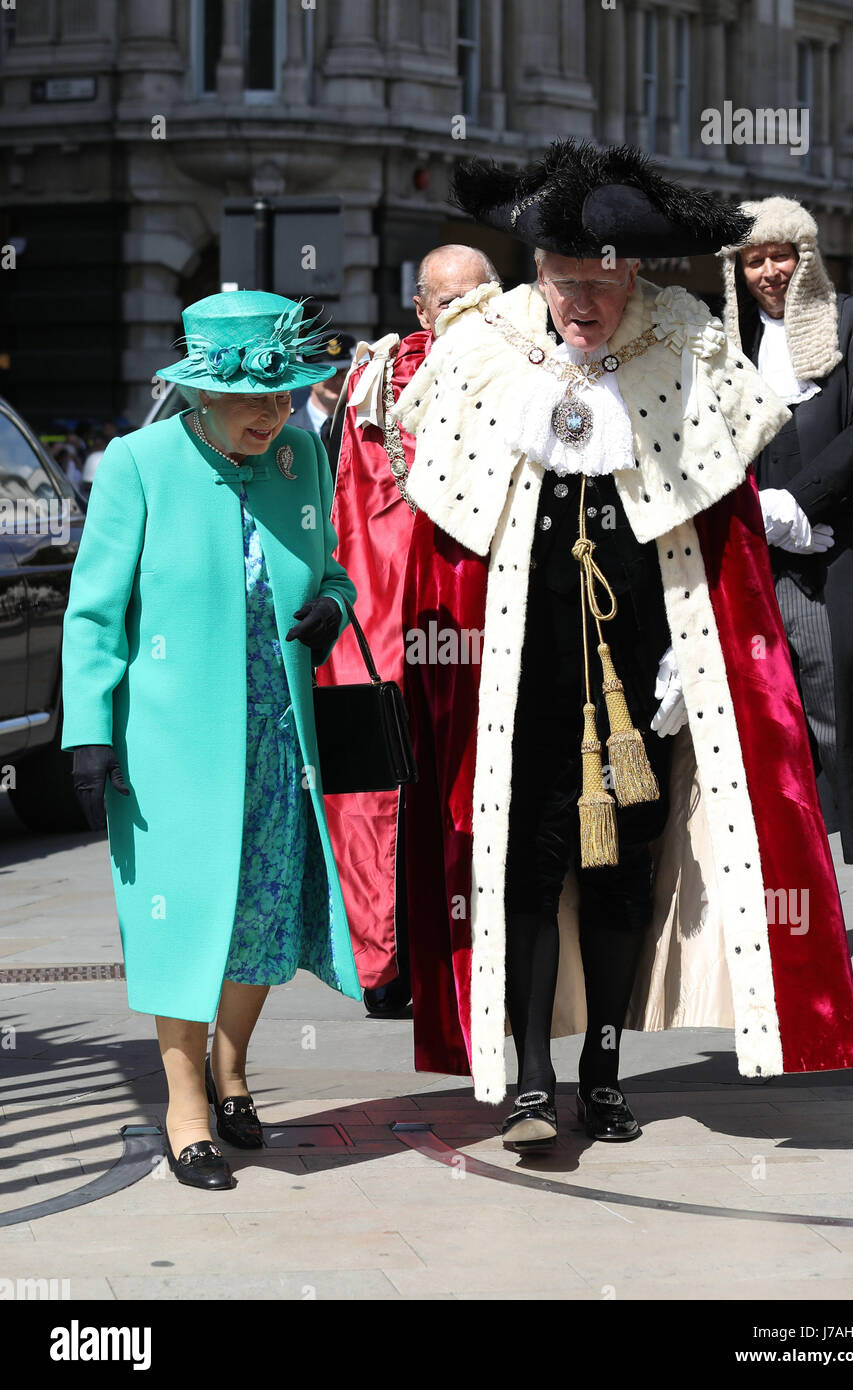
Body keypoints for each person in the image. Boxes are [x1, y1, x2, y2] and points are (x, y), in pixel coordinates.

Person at [393, 140, 853, 1146]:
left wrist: (685, 671)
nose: (582, 302)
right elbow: (441, 539)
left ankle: (601, 1070)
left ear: (633, 272)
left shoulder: (685, 344)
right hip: (519, 674)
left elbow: (723, 536)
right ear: (536, 272)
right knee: (523, 861)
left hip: (642, 676)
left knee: (620, 874)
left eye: (601, 282)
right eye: (565, 281)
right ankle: (528, 1075)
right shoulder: (481, 344)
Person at [62, 290, 360, 1189]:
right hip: (170, 748)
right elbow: (94, 613)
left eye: (290, 397)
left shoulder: (301, 453)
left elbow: (335, 568)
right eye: (260, 402)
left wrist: (331, 609)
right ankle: (185, 1103)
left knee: (263, 916)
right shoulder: (139, 463)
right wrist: (88, 733)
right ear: (202, 393)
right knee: (184, 920)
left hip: (277, 733)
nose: (279, 415)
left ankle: (232, 1066)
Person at [720, 198, 853, 967]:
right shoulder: (718, 344)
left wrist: (801, 503)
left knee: (845, 713)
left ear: (808, 258)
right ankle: (785, 912)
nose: (769, 272)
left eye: (783, 255)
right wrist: (748, 510)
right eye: (753, 259)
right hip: (748, 555)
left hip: (840, 553)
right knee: (767, 730)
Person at [318, 244, 500, 1018]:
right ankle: (415, 959)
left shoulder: (375, 381)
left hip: (393, 624)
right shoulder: (381, 382)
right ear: (421, 310)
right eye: (448, 305)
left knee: (405, 791)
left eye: (473, 302)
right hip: (420, 619)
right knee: (438, 784)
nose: (459, 320)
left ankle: (394, 963)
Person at [288, 331, 357, 473]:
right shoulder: (287, 426)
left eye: (343, 372)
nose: (338, 380)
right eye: (329, 374)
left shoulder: (359, 426)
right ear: (310, 376)